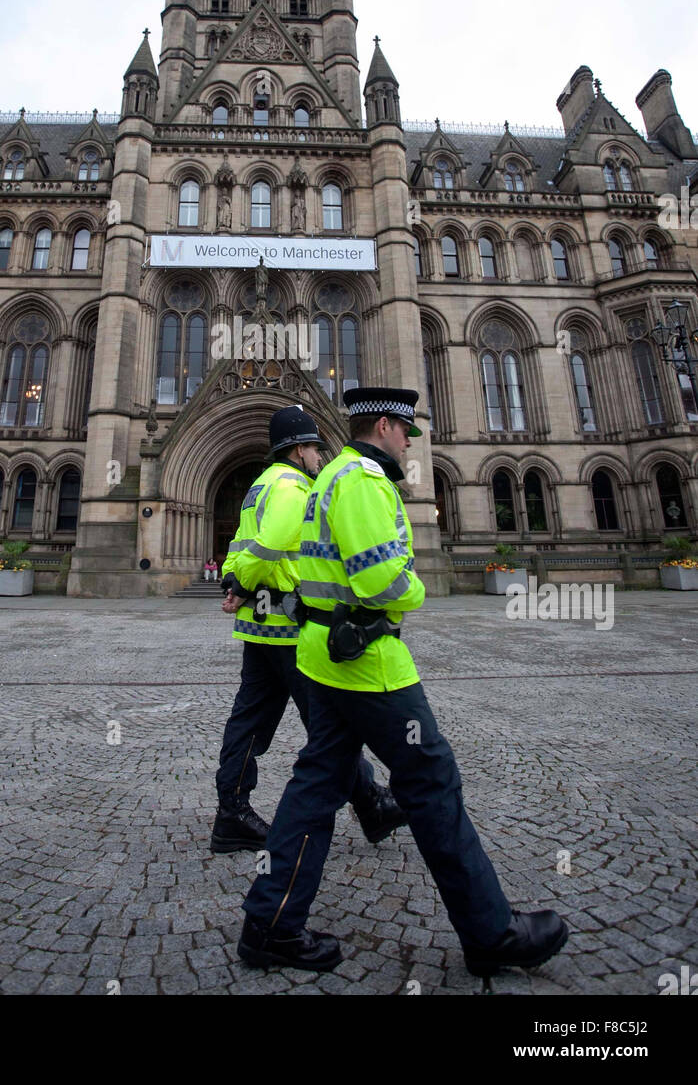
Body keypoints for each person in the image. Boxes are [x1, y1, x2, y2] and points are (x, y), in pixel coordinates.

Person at [238, 386, 569, 976]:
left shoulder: (332, 473)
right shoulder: (362, 478)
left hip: (322, 653)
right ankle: (490, 932)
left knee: (317, 786)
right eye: (406, 431)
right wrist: (415, 589)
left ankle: (270, 923)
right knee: (431, 782)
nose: (409, 442)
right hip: (369, 662)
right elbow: (382, 580)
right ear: (386, 425)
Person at [211, 403, 408, 854]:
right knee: (331, 724)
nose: (320, 457)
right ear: (299, 450)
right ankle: (371, 802)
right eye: (316, 448)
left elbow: (240, 545)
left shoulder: (259, 486)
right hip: (288, 626)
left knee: (250, 722)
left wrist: (233, 578)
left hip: (260, 627)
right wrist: (240, 584)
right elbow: (274, 542)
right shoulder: (292, 486)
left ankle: (231, 812)